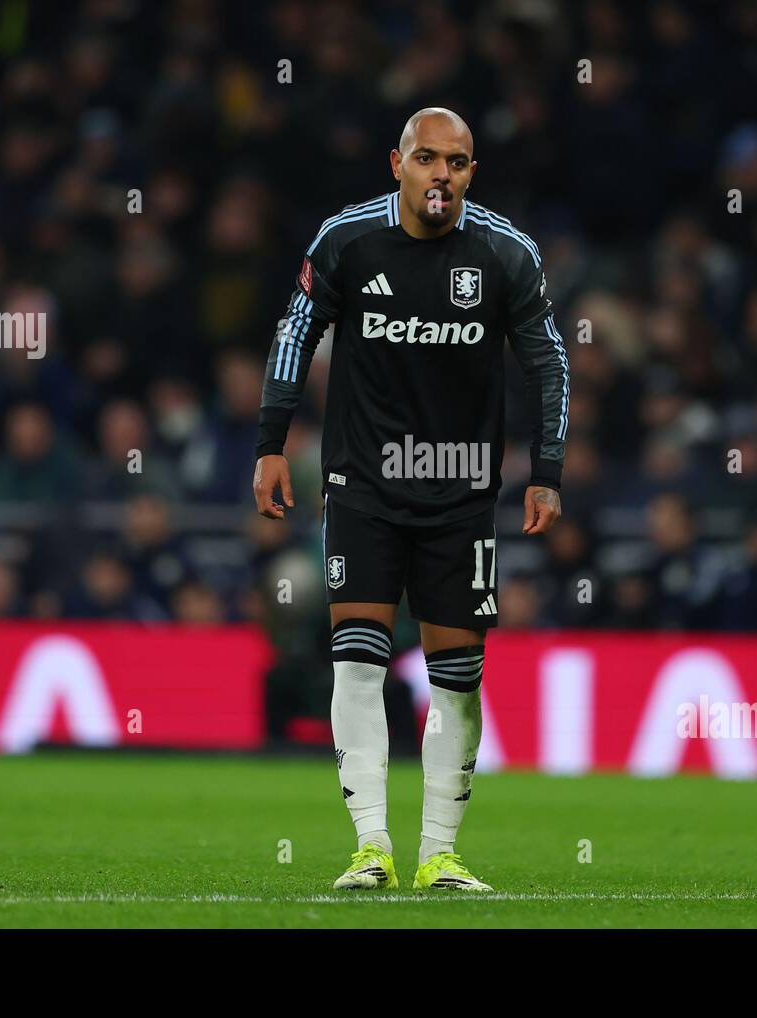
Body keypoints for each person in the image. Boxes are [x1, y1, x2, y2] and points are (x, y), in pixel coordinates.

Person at [252, 108, 569, 892]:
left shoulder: (505, 253)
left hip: (461, 493)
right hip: (362, 484)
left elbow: (550, 362)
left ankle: (440, 855)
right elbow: (296, 330)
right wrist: (270, 443)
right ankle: (370, 848)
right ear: (396, 163)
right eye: (426, 159)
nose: (441, 175)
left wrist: (548, 469)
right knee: (357, 662)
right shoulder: (348, 240)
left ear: (471, 172)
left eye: (456, 163)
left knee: (458, 675)